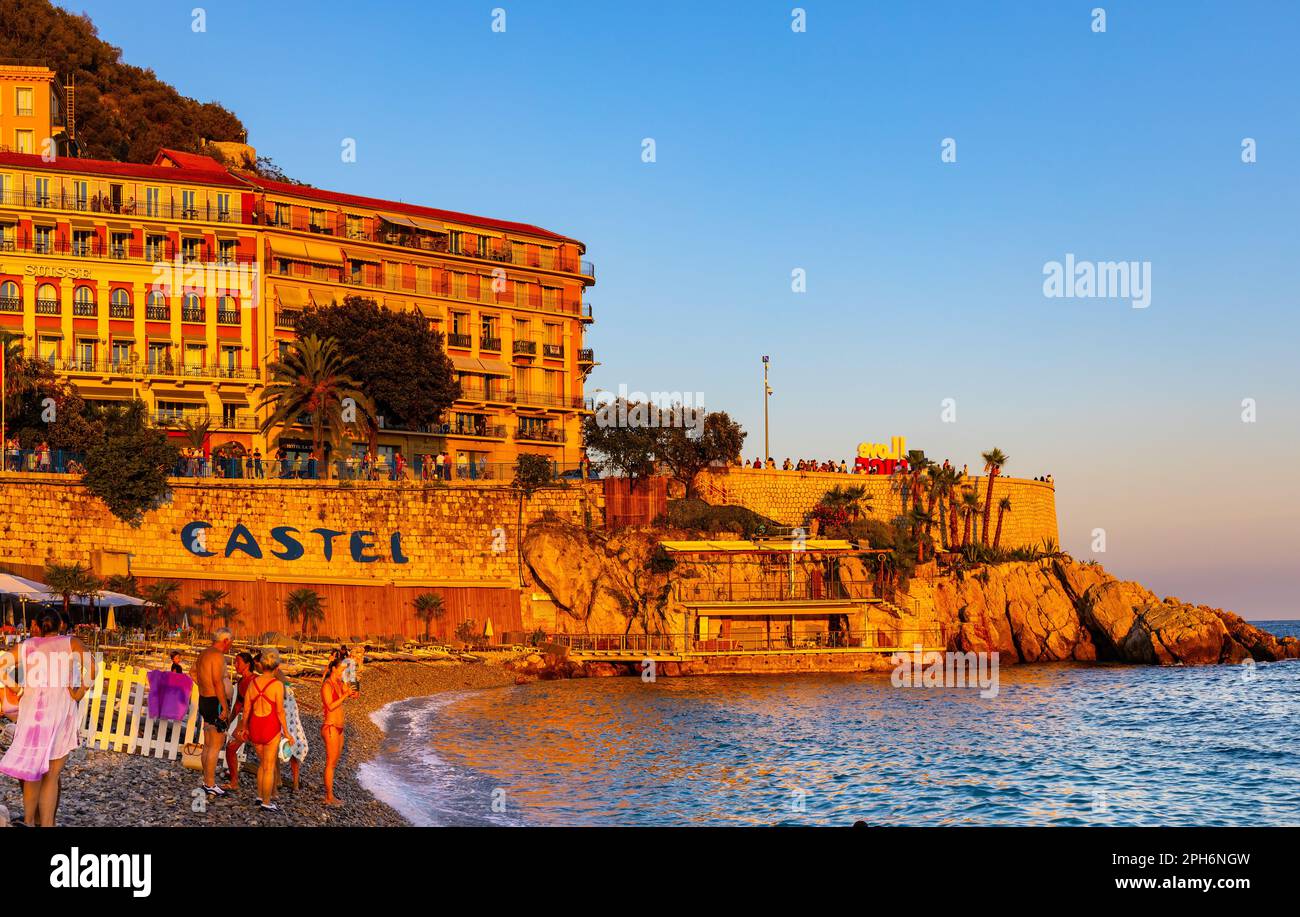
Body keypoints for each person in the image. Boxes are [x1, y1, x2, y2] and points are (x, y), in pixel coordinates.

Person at [0, 610, 95, 826]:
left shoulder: (27, 645)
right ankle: (48, 824)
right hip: (60, 712)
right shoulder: (72, 643)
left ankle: (28, 821)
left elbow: (1, 667)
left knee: (32, 772)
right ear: (60, 625)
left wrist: (16, 687)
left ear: (37, 625)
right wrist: (79, 692)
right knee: (52, 776)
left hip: (33, 714)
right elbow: (92, 668)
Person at [238, 649, 289, 812]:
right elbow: (280, 711)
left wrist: (244, 727)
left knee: (262, 765)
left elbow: (246, 710)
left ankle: (260, 796)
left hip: (255, 726)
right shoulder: (277, 685)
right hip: (270, 726)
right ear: (276, 667)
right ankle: (267, 802)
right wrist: (287, 732)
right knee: (268, 766)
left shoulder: (253, 683)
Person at [191, 627, 234, 798]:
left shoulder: (203, 653)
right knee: (215, 746)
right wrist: (224, 706)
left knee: (208, 744)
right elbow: (217, 682)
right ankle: (210, 784)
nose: (231, 645)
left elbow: (192, 672)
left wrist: (202, 686)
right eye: (231, 641)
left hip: (205, 700)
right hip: (215, 701)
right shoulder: (217, 655)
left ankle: (206, 781)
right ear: (225, 641)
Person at [320, 654, 357, 806]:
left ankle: (330, 794)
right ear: (334, 668)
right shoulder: (327, 685)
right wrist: (345, 696)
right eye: (341, 670)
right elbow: (330, 705)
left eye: (344, 670)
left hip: (340, 728)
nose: (343, 673)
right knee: (330, 763)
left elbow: (353, 695)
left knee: (334, 763)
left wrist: (352, 693)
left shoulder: (338, 682)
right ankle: (329, 797)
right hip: (331, 727)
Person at [222, 652, 256, 791]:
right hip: (246, 721)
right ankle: (234, 781)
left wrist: (244, 725)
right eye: (235, 662)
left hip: (257, 721)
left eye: (238, 662)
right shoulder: (242, 681)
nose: (235, 665)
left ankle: (271, 790)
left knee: (267, 755)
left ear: (247, 664)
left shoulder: (255, 680)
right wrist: (228, 722)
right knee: (230, 749)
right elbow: (237, 705)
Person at [274, 668, 310, 794]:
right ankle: (292, 783)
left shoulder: (277, 682)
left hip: (286, 720)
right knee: (289, 750)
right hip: (290, 720)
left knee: (278, 750)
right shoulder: (283, 685)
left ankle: (281, 780)